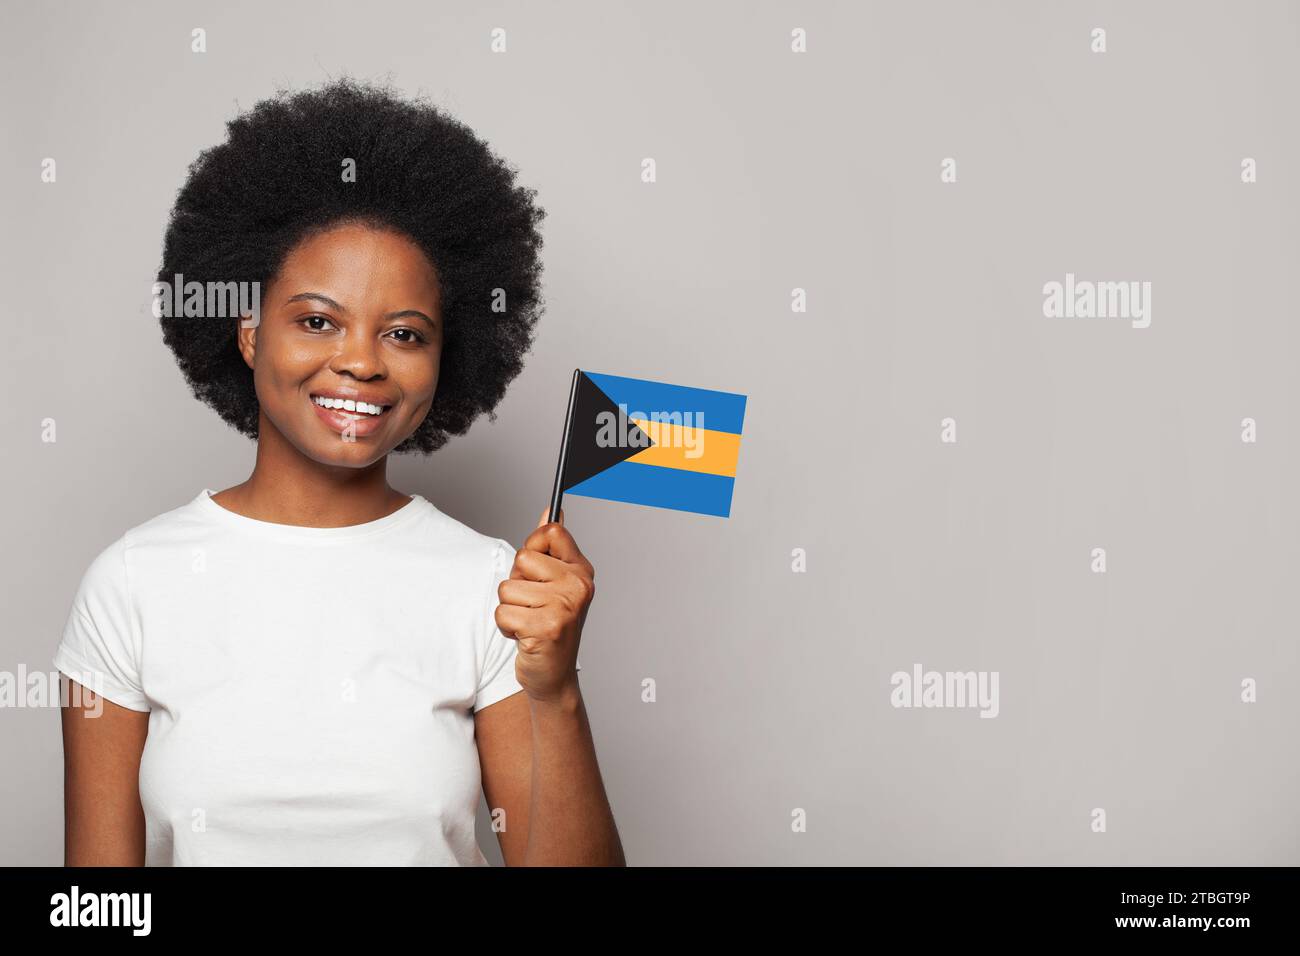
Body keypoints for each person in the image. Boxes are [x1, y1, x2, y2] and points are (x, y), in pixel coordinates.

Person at [54, 78, 625, 866]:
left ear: (443, 361)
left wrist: (554, 693)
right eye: (317, 321)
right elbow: (96, 907)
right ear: (249, 333)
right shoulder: (131, 585)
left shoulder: (496, 589)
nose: (359, 362)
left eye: (404, 333)